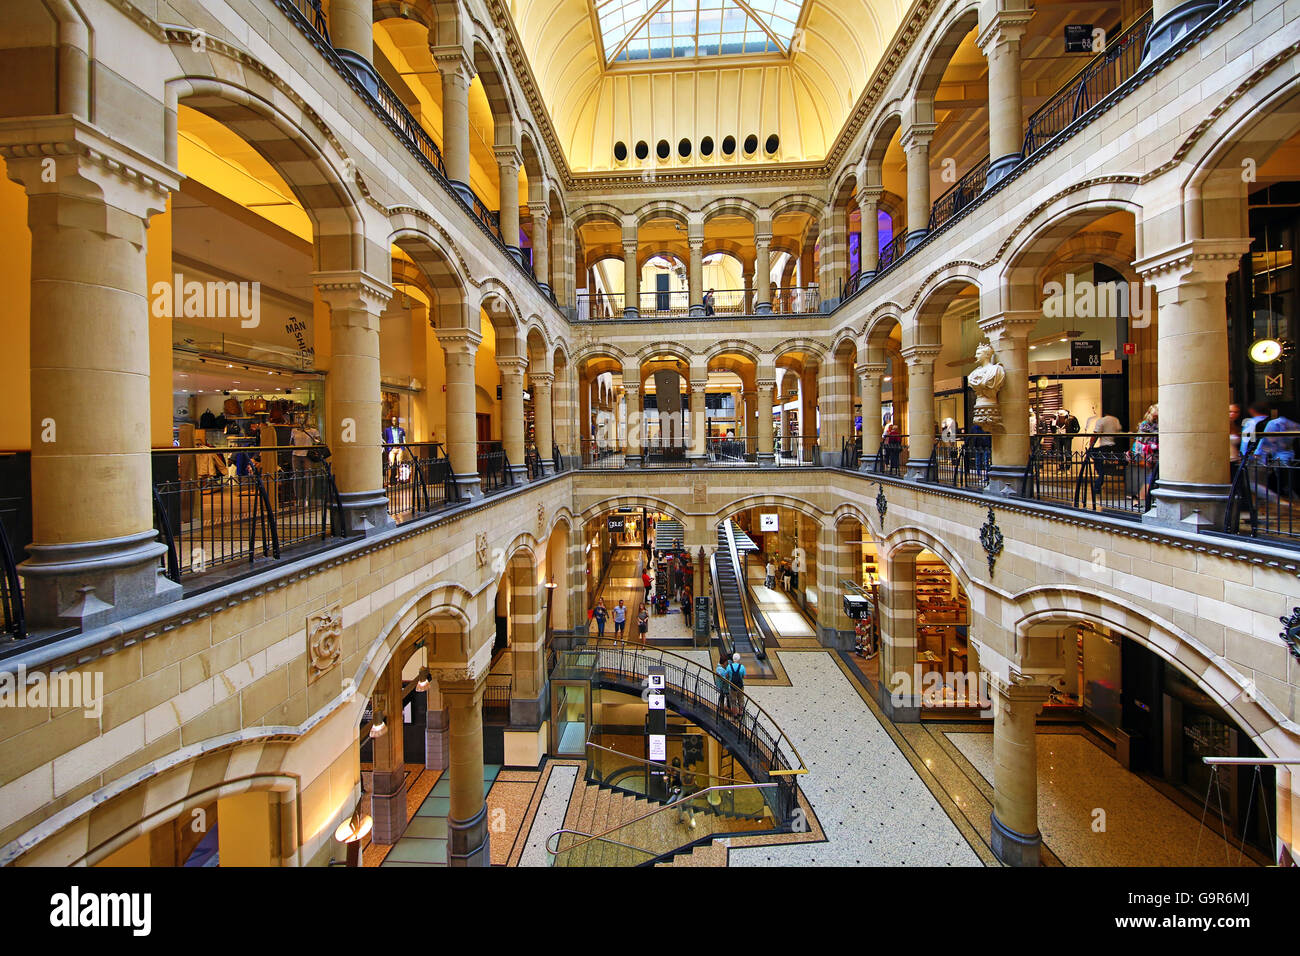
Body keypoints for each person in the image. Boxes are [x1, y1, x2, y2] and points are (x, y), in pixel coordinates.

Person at [1086, 408, 1123, 503]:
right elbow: (1118, 430)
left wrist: (1090, 445)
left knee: (1100, 466)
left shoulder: (1101, 421)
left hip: (1104, 445)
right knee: (1106, 465)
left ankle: (1097, 486)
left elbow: (1095, 433)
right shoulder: (1115, 420)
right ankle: (1099, 483)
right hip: (1113, 445)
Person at [722, 652, 747, 716]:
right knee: (741, 699)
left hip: (732, 687)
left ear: (733, 659)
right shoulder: (742, 667)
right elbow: (745, 676)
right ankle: (741, 712)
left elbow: (726, 675)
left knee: (733, 701)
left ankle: (735, 713)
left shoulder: (729, 666)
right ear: (739, 659)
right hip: (740, 686)